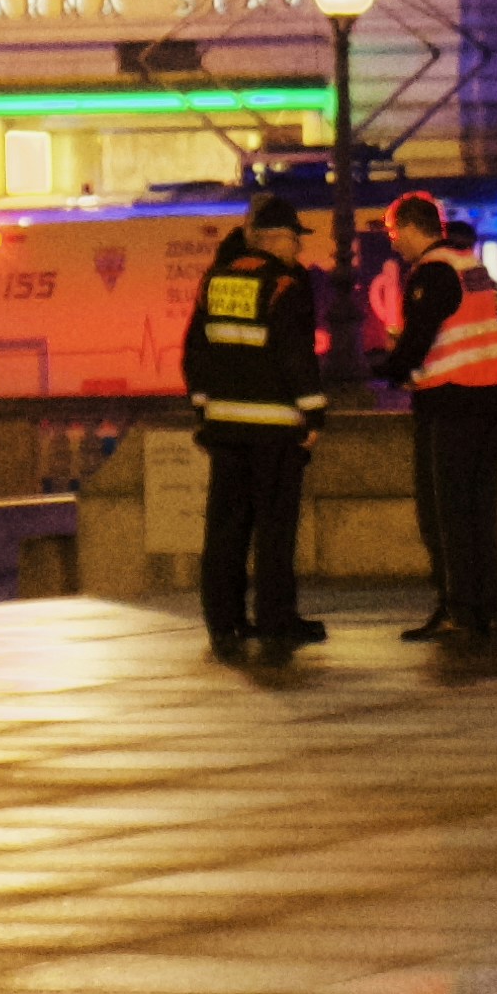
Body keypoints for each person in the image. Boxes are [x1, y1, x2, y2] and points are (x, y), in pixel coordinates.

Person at [181, 189, 328, 665]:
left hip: (225, 426)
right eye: (293, 240)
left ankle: (224, 620)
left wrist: (204, 408)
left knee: (225, 529)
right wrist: (314, 412)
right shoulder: (284, 285)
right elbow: (294, 355)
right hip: (274, 427)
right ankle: (275, 619)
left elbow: (195, 352)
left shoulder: (214, 281)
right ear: (273, 239)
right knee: (274, 530)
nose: (298, 249)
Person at [380, 192, 497, 656]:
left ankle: (458, 610)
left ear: (414, 228)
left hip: (451, 400)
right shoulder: (471, 265)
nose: (395, 244)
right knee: (480, 511)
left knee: (448, 513)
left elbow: (419, 339)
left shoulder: (433, 271)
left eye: (395, 234)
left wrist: (390, 368)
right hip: (491, 395)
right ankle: (485, 608)